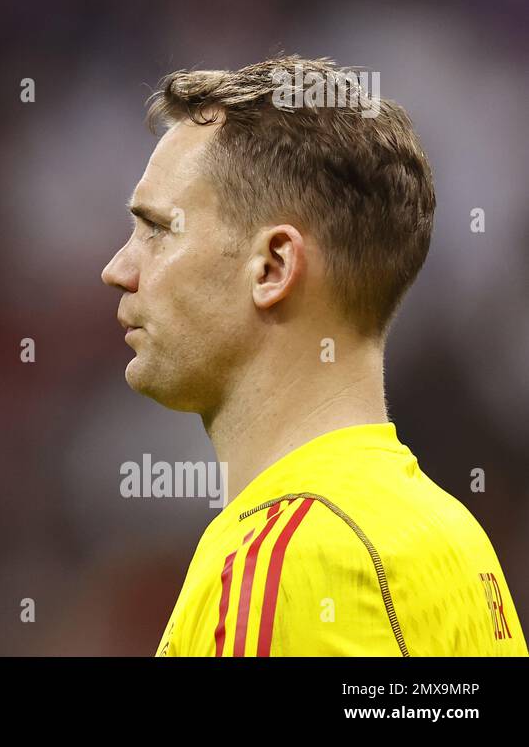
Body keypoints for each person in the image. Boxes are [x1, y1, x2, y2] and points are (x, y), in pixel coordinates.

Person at [101, 56, 526, 656]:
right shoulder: (454, 538)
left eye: (158, 230)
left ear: (273, 266)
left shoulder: (292, 556)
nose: (117, 270)